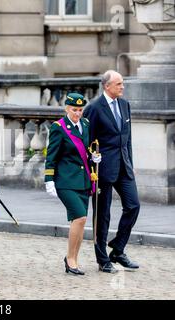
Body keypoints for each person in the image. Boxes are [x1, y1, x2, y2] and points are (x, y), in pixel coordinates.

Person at [83, 70, 140, 273]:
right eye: (118, 84)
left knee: (133, 205)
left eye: (122, 83)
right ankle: (102, 259)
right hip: (103, 169)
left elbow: (128, 138)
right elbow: (86, 140)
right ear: (107, 86)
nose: (122, 87)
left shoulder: (125, 105)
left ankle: (117, 249)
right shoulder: (94, 108)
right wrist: (91, 161)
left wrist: (131, 163)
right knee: (102, 215)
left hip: (124, 166)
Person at [44, 93, 101, 275]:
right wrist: (49, 180)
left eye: (80, 110)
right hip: (65, 181)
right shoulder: (59, 128)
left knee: (80, 221)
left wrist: (94, 156)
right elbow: (51, 156)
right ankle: (70, 259)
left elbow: (87, 148)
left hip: (83, 180)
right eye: (74, 110)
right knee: (80, 218)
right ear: (66, 109)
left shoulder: (85, 124)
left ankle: (73, 259)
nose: (77, 113)